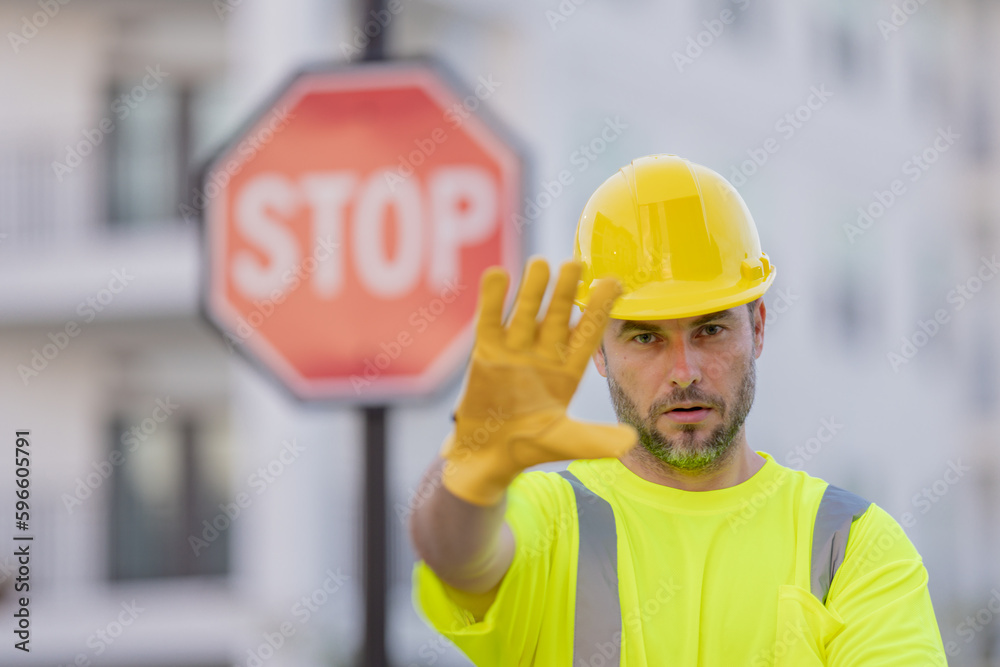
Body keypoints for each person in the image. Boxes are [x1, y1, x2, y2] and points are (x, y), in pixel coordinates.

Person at [408, 154, 947, 665]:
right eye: (646, 338)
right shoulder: (553, 520)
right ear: (598, 349)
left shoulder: (848, 542)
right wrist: (470, 474)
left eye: (709, 330)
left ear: (757, 327)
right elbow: (457, 554)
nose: (684, 369)